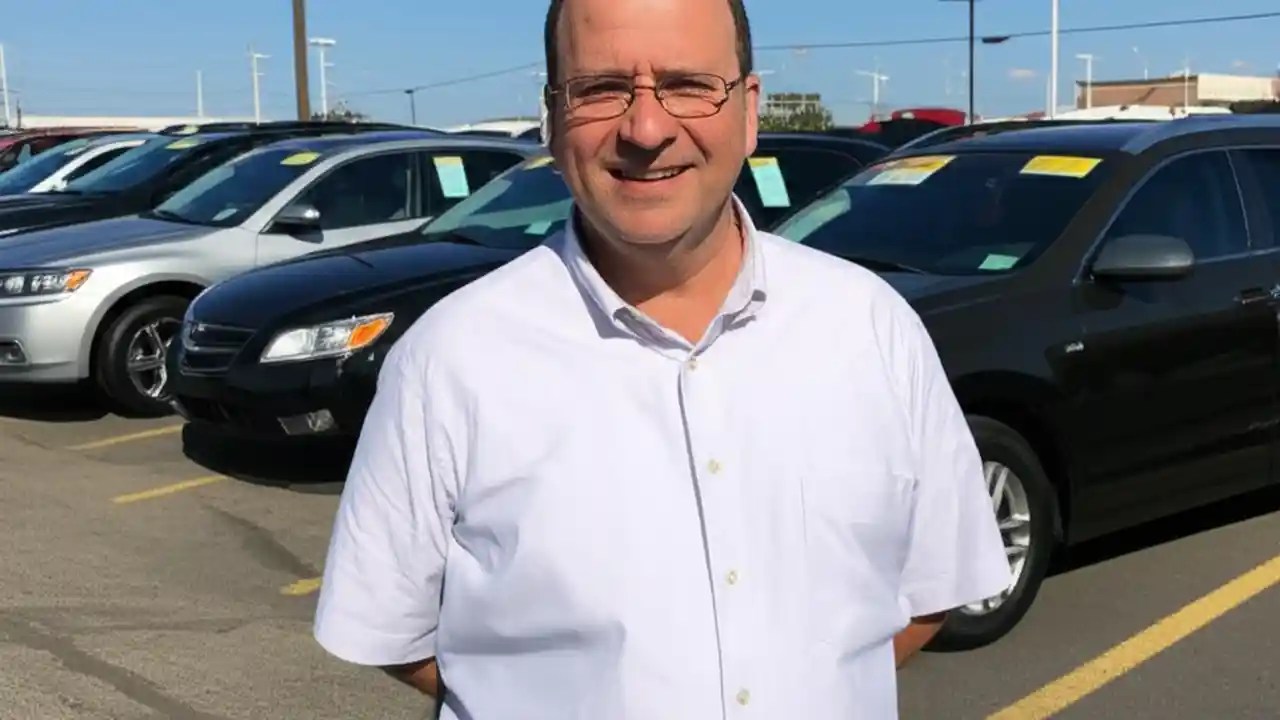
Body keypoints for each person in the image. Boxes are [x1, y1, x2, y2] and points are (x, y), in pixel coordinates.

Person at [312, 0, 1013, 717]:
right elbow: (395, 632)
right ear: (553, 121)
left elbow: (932, 587)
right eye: (601, 89)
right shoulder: (450, 359)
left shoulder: (872, 328)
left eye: (687, 84)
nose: (646, 129)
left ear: (749, 111)